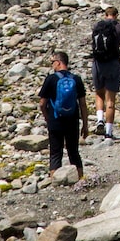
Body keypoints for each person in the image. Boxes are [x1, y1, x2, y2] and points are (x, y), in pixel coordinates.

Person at [36, 50, 86, 181]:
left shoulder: (51, 79)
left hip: (55, 120)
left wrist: (47, 117)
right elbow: (83, 104)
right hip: (72, 120)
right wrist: (85, 125)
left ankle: (55, 181)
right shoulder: (76, 79)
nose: (52, 65)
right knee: (73, 152)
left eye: (52, 62)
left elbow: (42, 103)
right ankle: (81, 179)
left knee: (55, 153)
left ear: (58, 62)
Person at [90, 4, 120, 139]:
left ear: (105, 15)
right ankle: (108, 133)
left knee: (99, 94)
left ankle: (99, 120)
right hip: (114, 64)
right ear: (116, 15)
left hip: (98, 64)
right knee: (111, 100)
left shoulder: (98, 26)